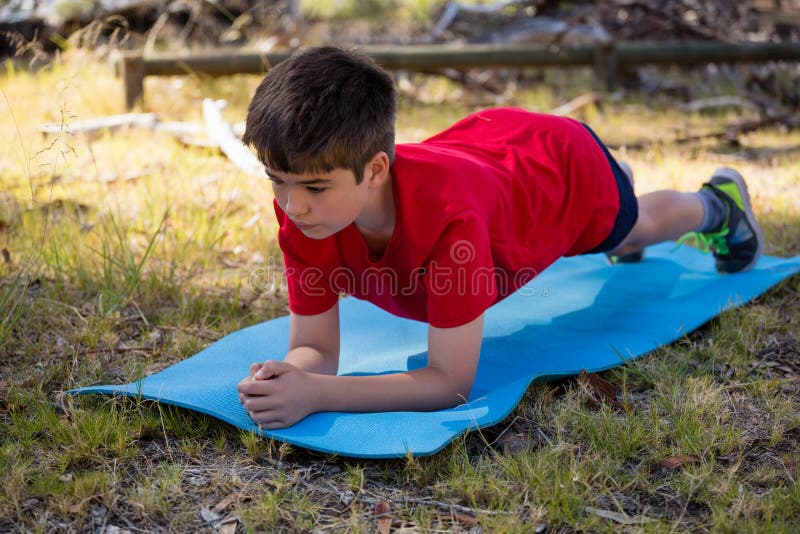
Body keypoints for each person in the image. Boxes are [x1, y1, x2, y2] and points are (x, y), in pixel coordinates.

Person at [236, 46, 763, 429]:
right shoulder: (306, 212)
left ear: (374, 171)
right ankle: (617, 178)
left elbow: (449, 381)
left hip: (560, 170)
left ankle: (717, 202)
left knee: (628, 234)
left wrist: (320, 394)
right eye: (276, 182)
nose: (291, 204)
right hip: (491, 149)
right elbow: (314, 347)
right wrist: (289, 375)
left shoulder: (450, 226)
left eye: (313, 186)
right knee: (616, 223)